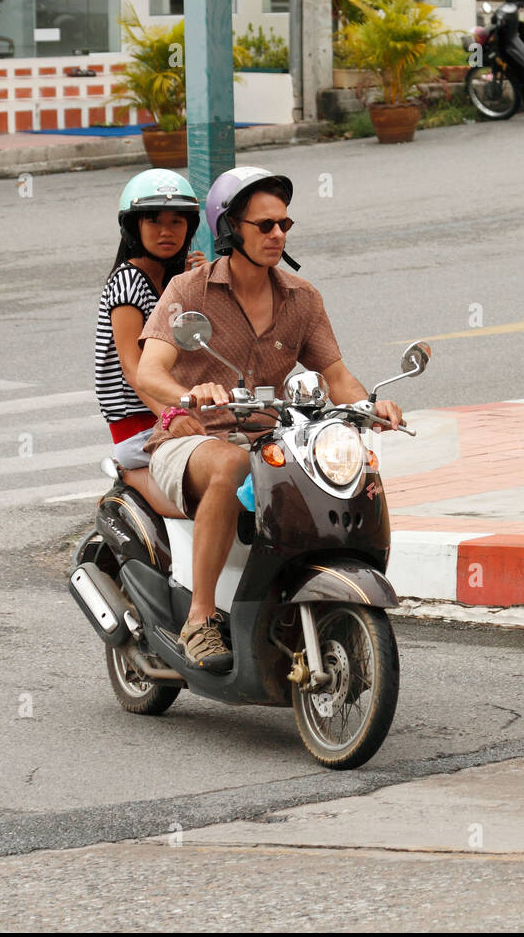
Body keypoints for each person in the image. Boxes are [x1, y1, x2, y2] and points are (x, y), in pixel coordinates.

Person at [134, 167, 404, 673]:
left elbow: (336, 375)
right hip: (190, 440)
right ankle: (200, 618)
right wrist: (190, 395)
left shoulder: (301, 298)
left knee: (335, 469)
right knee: (232, 464)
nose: (278, 234)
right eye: (265, 226)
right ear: (231, 229)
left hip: (270, 436)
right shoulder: (189, 292)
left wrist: (370, 406)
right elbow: (149, 372)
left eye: (284, 224)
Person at [95, 169, 205, 470]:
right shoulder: (129, 282)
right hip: (140, 427)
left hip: (173, 411)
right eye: (154, 220)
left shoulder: (171, 281)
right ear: (134, 227)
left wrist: (200, 283)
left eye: (176, 222)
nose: (166, 231)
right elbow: (133, 369)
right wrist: (170, 416)